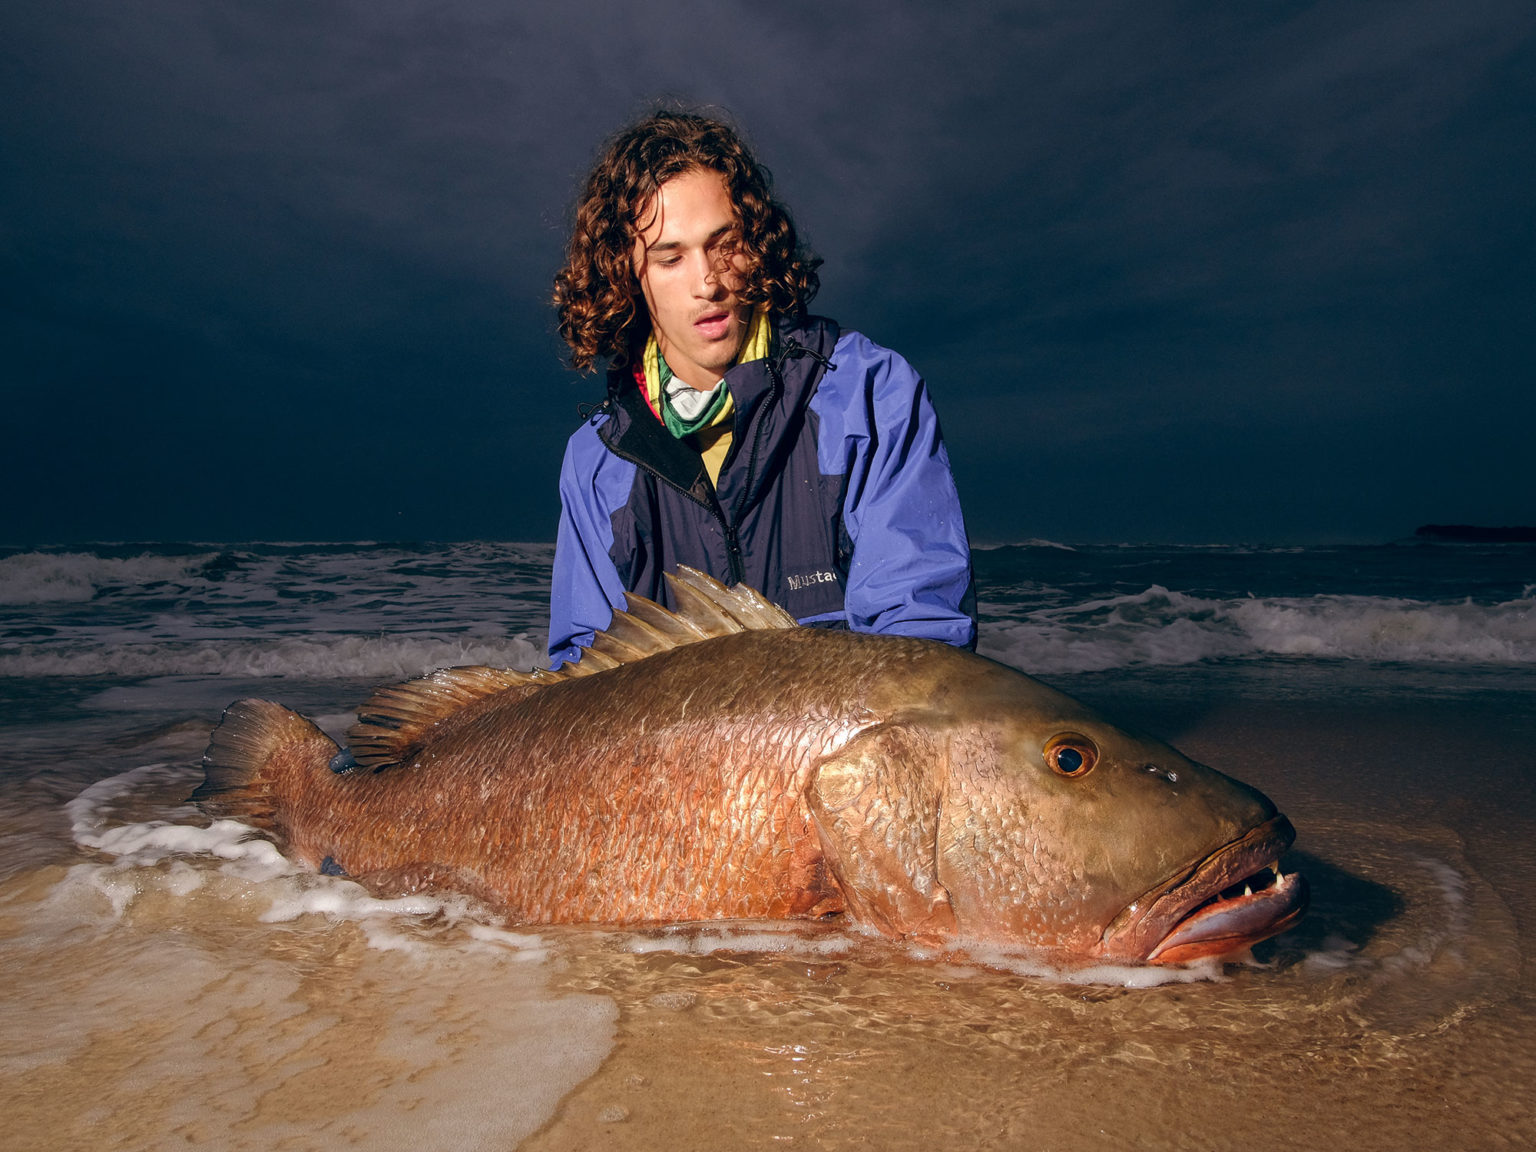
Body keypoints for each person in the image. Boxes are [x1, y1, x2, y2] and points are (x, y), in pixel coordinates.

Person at [547, 109, 974, 667]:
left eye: (725, 244)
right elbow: (582, 676)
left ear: (756, 242)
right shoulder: (595, 461)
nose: (708, 282)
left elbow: (921, 653)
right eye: (670, 257)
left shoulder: (870, 392)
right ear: (628, 275)